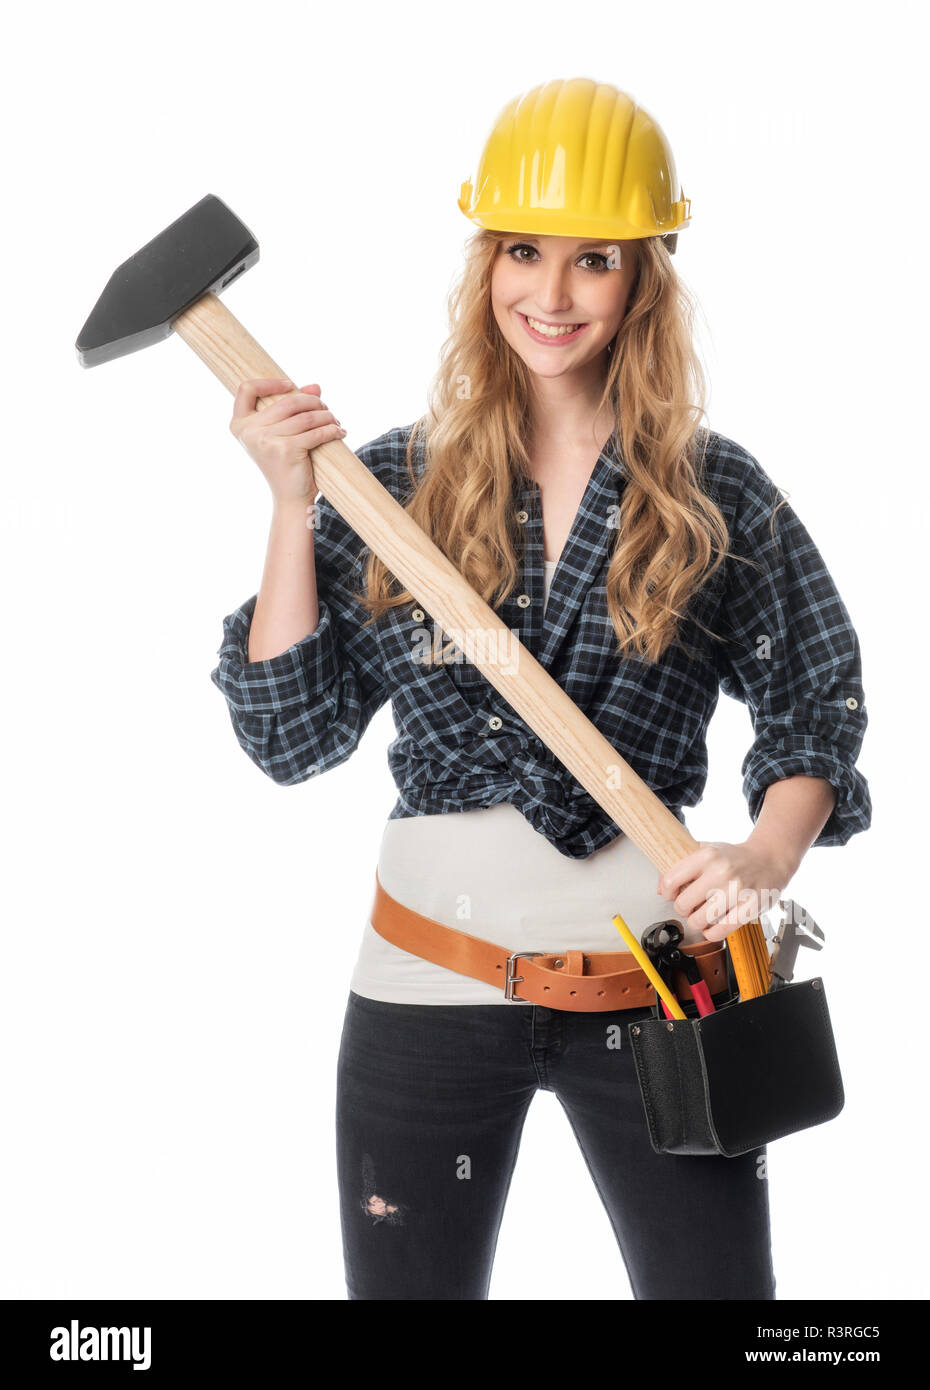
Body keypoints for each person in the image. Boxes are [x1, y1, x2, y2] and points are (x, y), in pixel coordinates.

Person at [210, 78, 871, 1300]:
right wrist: (295, 503)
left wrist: (765, 857)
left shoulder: (714, 490)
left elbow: (817, 701)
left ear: (645, 278)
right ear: (484, 263)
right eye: (523, 251)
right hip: (426, 994)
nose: (552, 296)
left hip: (663, 1003)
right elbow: (289, 736)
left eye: (595, 261)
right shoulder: (393, 480)